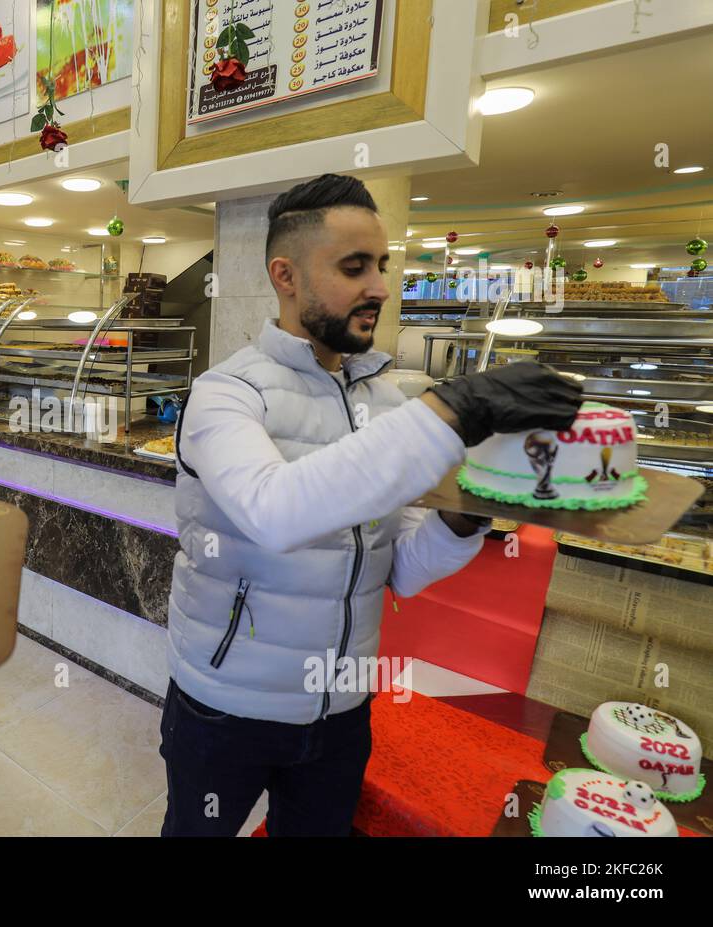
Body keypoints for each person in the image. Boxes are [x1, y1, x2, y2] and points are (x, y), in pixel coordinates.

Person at [159, 173, 582, 837]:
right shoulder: (226, 394)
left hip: (341, 711)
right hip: (223, 710)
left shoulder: (384, 404)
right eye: (354, 267)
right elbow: (275, 512)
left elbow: (403, 568)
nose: (381, 287)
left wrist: (465, 513)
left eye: (381, 265)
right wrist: (454, 406)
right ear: (286, 275)